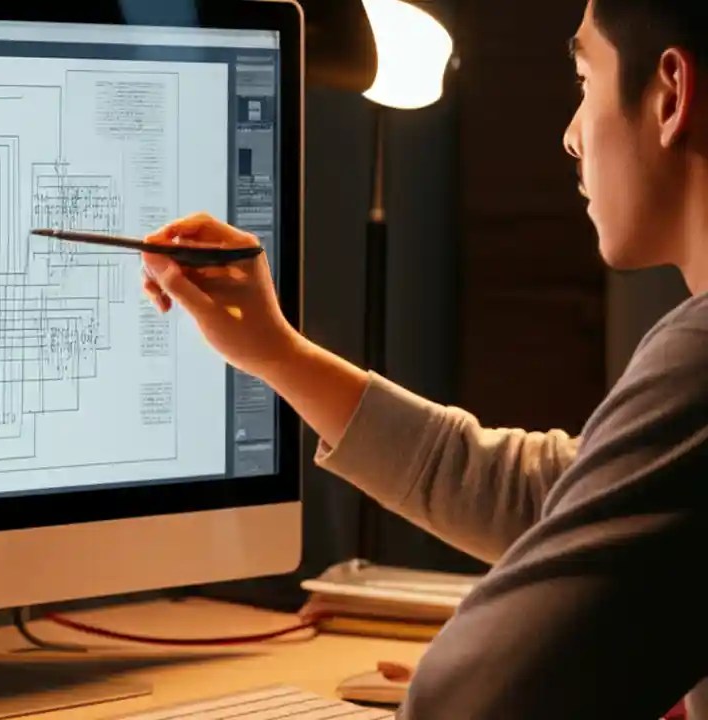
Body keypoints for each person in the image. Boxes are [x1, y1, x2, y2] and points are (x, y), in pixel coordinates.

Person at [140, 0, 708, 717]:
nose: (570, 137)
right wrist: (276, 352)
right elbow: (558, 499)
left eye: (583, 79)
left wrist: (482, 673)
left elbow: (467, 700)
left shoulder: (699, 363)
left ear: (669, 95)